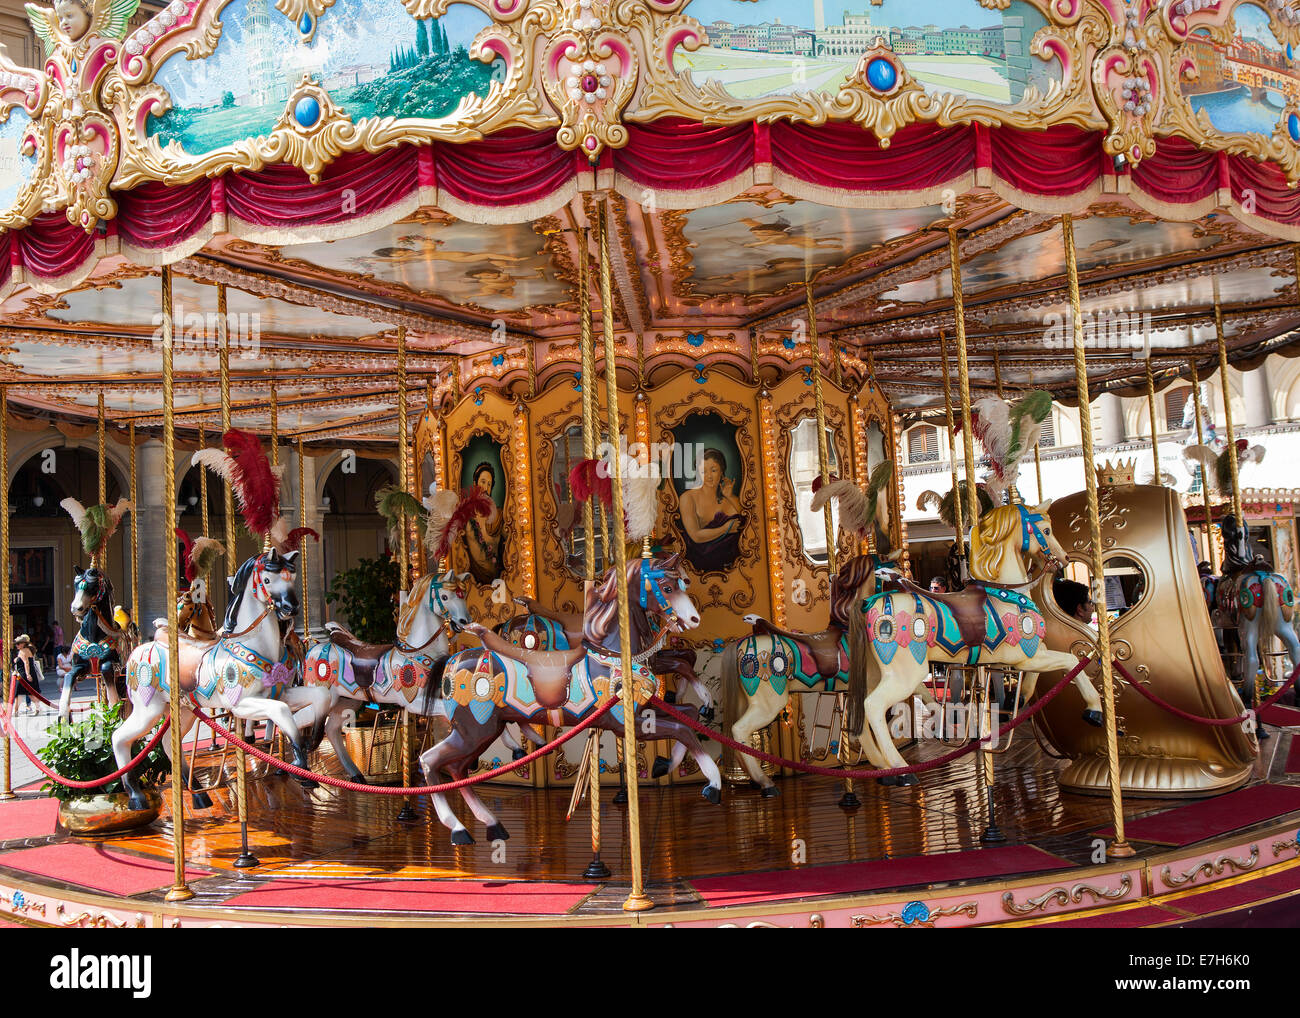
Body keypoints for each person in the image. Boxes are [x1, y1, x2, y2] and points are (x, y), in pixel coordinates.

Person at [678, 448, 745, 572]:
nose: (709, 476)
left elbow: (749, 522)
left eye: (713, 470)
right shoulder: (688, 498)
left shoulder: (729, 498)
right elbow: (696, 536)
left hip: (735, 569)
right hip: (698, 568)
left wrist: (730, 496)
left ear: (721, 471)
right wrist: (726, 529)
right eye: (703, 472)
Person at [460, 461, 503, 584]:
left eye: (489, 485)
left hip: (498, 580)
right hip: (472, 582)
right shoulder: (465, 515)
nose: (486, 488)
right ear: (475, 484)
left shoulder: (498, 516)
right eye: (483, 482)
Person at [11, 634, 44, 715]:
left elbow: (26, 663)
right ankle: (38, 708)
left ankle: (16, 711)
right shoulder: (27, 650)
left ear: (23, 643)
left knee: (20, 694)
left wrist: (28, 674)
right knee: (30, 693)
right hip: (28, 673)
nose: (17, 645)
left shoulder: (23, 651)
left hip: (24, 675)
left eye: (18, 644)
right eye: (16, 644)